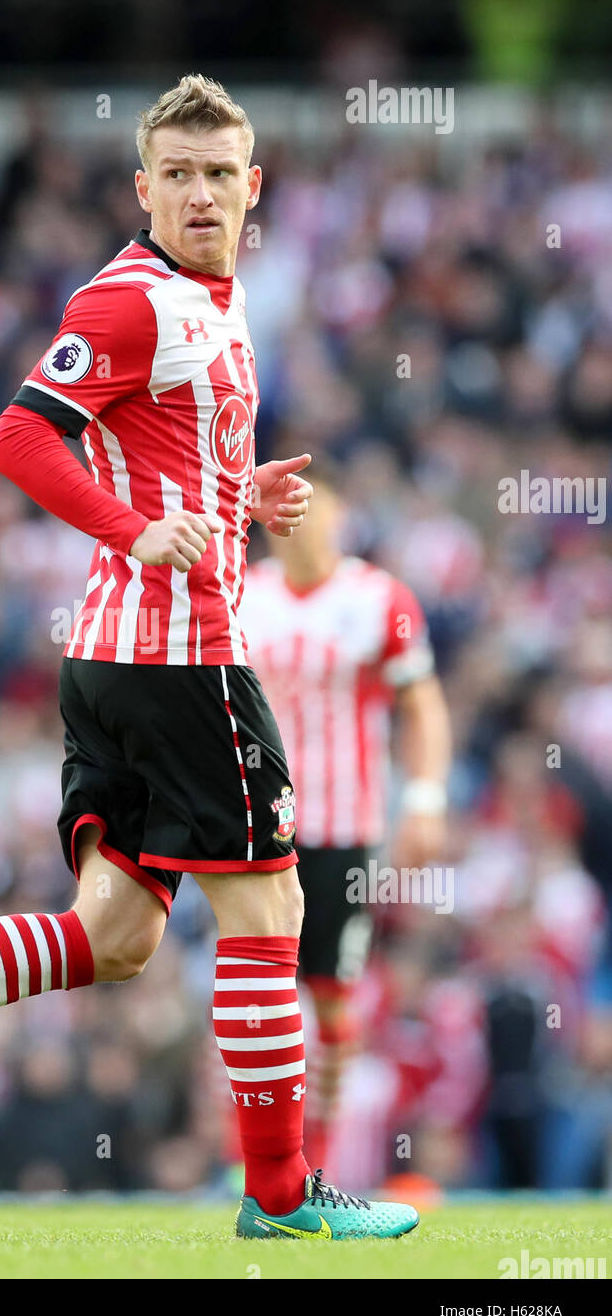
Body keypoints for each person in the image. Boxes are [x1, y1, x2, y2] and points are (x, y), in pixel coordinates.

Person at [0, 74, 419, 1240]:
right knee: (269, 909)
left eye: (219, 174)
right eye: (175, 174)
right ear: (142, 187)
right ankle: (280, 1197)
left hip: (113, 661)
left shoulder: (213, 303)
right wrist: (134, 529)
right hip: (183, 659)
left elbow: (160, 456)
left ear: (252, 186)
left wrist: (238, 498)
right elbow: (18, 436)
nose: (198, 193)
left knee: (115, 937)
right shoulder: (133, 301)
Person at [237, 462, 451, 1172]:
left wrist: (422, 798)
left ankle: (315, 1158)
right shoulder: (241, 595)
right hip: (253, 828)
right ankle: (262, 1161)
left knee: (329, 997)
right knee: (256, 996)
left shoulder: (376, 598)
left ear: (336, 518)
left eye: (314, 509)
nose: (301, 526)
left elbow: (420, 703)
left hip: (343, 828)